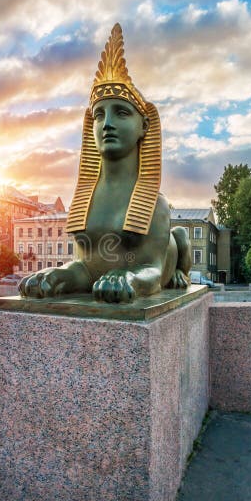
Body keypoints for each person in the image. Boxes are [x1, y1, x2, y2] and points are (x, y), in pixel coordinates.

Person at [19, 23, 191, 303]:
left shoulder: (155, 205)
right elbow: (86, 269)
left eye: (121, 113)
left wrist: (129, 277)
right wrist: (61, 274)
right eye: (99, 115)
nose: (107, 124)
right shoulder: (86, 201)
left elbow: (152, 270)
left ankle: (181, 271)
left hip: (152, 269)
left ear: (144, 125)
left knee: (180, 235)